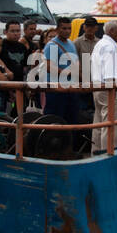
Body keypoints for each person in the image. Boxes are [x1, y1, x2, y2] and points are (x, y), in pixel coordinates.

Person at [44, 17, 80, 150]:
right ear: (58, 29)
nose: (67, 31)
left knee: (72, 119)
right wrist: (67, 73)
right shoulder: (52, 45)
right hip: (57, 90)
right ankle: (53, 149)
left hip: (71, 88)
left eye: (69, 28)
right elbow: (49, 67)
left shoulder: (71, 43)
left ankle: (69, 148)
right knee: (56, 119)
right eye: (64, 28)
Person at [91, 20, 117, 155]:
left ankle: (96, 154)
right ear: (112, 31)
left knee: (99, 123)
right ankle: (108, 155)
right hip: (109, 90)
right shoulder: (109, 47)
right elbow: (110, 75)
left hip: (98, 88)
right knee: (111, 124)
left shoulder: (100, 44)